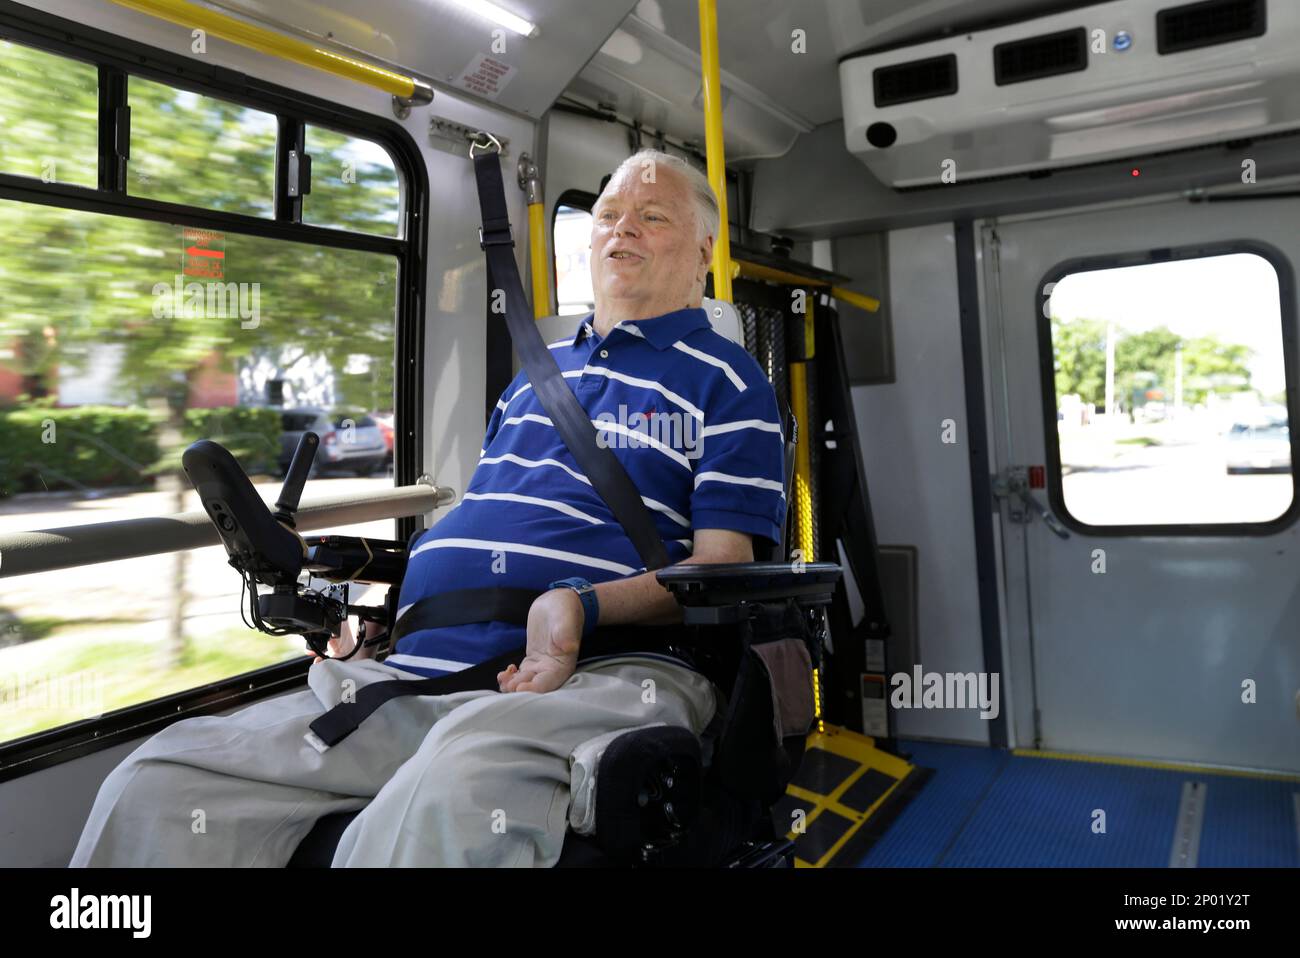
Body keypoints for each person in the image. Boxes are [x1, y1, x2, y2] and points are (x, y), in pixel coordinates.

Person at [70, 148, 787, 867]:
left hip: (603, 672)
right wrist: (381, 596)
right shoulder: (532, 381)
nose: (621, 230)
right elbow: (500, 525)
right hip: (425, 669)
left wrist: (580, 606)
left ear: (703, 250)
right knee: (163, 778)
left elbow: (722, 569)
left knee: (444, 796)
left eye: (651, 216)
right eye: (608, 215)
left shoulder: (730, 384)